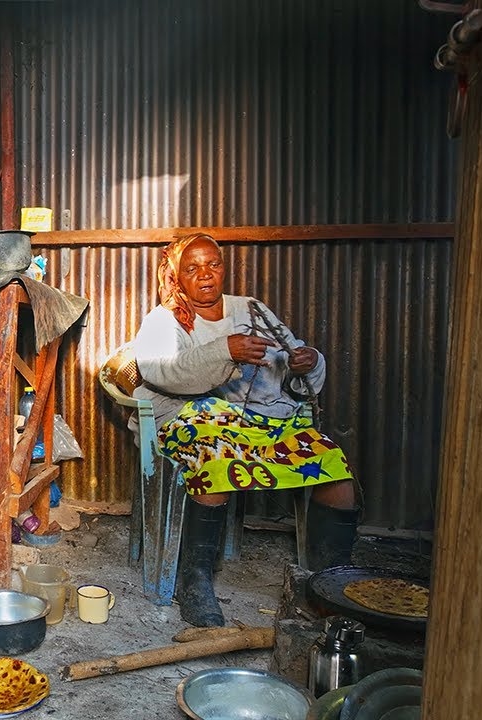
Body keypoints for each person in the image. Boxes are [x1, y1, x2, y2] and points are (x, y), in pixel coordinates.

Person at [130, 232, 359, 628]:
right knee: (216, 462)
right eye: (192, 268)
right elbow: (158, 370)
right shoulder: (165, 319)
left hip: (261, 423)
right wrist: (224, 350)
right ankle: (195, 580)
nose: (205, 275)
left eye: (213, 264)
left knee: (335, 471)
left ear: (224, 268)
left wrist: (307, 361)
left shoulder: (252, 309)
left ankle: (328, 584)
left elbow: (290, 356)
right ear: (177, 276)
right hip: (192, 417)